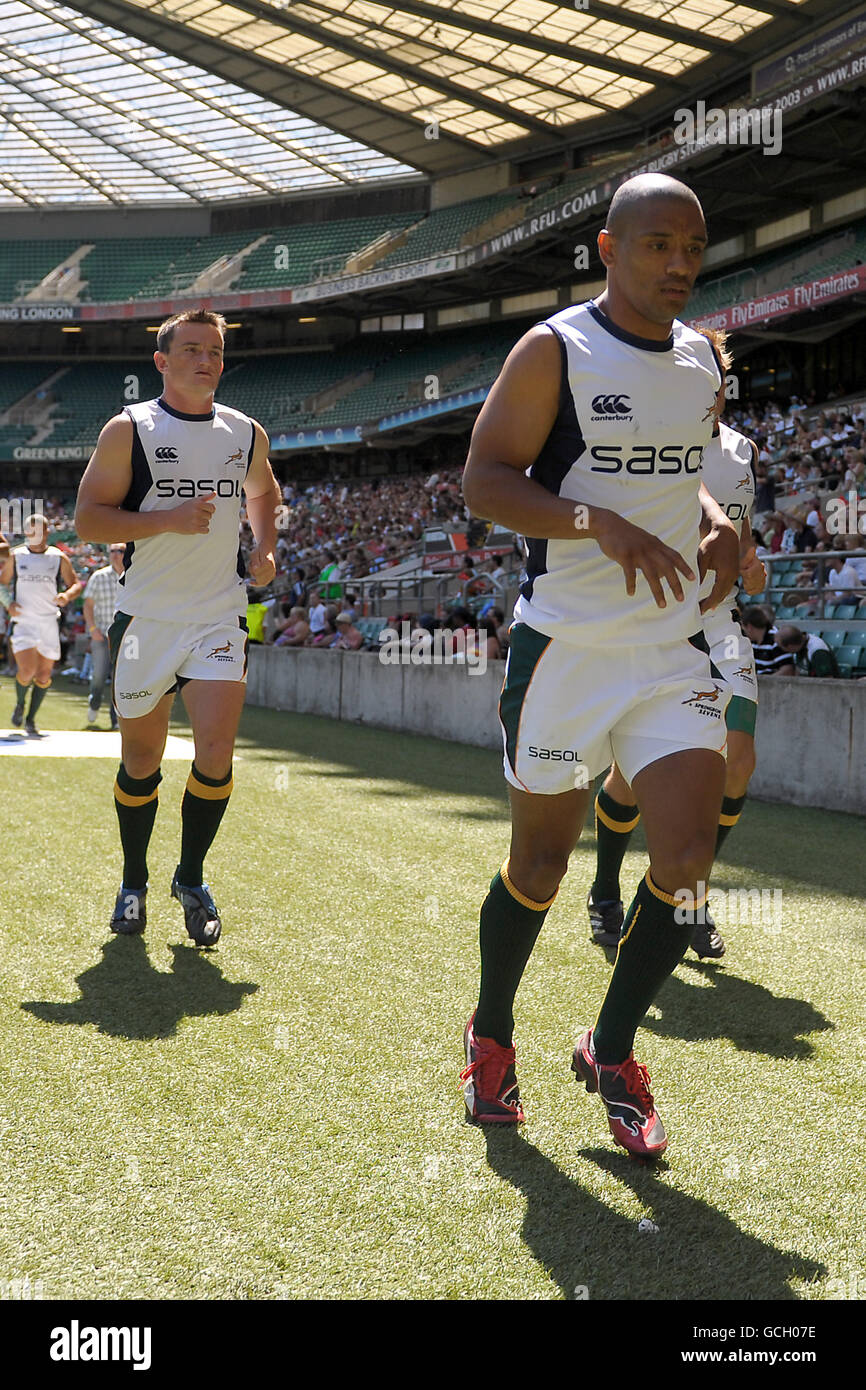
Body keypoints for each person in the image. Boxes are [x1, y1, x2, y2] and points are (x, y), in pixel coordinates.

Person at [458, 173, 739, 1158]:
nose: (677, 265)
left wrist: (716, 530)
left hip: (669, 648)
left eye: (692, 250)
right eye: (657, 244)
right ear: (606, 248)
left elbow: (686, 474)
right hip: (563, 648)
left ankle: (610, 1048)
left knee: (687, 863)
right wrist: (594, 522)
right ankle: (490, 1034)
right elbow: (482, 479)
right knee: (538, 861)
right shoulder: (554, 350)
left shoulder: (702, 359)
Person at [74, 307, 279, 945]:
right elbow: (89, 521)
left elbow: (264, 492)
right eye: (190, 349)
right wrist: (165, 519)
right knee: (142, 760)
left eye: (214, 351)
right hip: (148, 619)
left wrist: (265, 546)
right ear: (161, 362)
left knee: (216, 754)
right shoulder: (128, 429)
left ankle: (190, 878)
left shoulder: (245, 432)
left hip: (219, 614)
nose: (205, 360)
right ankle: (133, 880)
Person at [587, 329, 765, 961]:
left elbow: (741, 540)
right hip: (657, 619)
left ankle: (688, 898)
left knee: (737, 762)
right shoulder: (652, 440)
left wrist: (750, 561)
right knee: (633, 775)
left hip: (721, 627)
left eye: (714, 378)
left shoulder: (742, 451)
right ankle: (606, 888)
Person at [1, 513, 82, 736]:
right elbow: (2, 583)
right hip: (24, 621)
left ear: (47, 532)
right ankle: (20, 703)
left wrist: (66, 596)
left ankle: (31, 720)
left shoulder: (58, 557)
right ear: (26, 533)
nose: (35, 535)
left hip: (49, 621)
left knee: (44, 675)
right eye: (31, 530)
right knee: (27, 671)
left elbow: (75, 584)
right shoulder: (16, 556)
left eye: (40, 530)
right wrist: (9, 604)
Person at [82, 543, 126, 728]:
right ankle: (94, 701)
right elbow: (88, 605)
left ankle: (115, 719)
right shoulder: (98, 576)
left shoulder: (135, 576)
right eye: (112, 551)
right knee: (99, 676)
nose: (115, 555)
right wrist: (92, 630)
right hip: (101, 634)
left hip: (125, 639)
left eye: (120, 551)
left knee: (120, 679)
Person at [739, 605, 794, 675]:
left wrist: (768, 682)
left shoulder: (776, 640)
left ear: (749, 627)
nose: (744, 632)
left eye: (744, 628)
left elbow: (788, 669)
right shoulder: (752, 641)